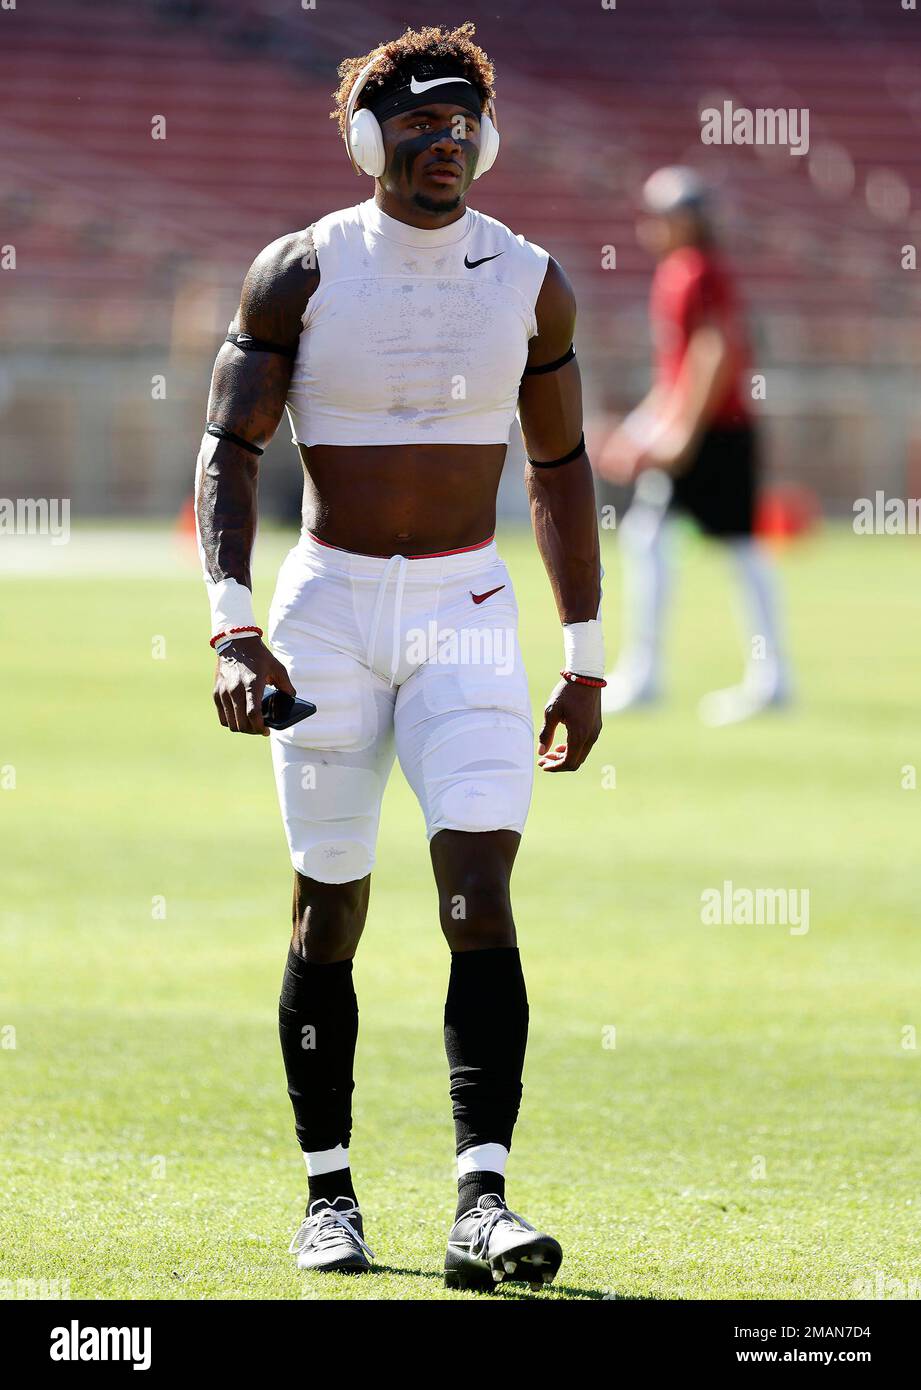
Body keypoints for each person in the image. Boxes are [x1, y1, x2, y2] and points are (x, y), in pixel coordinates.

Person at [193, 22, 603, 1292]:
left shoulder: (531, 280)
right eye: (418, 125)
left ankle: (483, 1200)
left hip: (466, 612)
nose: (446, 143)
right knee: (330, 907)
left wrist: (584, 656)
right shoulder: (302, 270)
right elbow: (229, 447)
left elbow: (560, 466)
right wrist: (232, 618)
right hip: (326, 615)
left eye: (462, 123)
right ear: (370, 140)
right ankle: (331, 1196)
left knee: (478, 888)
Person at [596, 166, 791, 726]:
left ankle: (758, 675)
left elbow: (712, 353)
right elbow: (676, 373)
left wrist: (677, 435)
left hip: (716, 432)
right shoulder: (681, 271)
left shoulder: (699, 271)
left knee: (734, 548)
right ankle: (661, 671)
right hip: (705, 428)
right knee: (655, 538)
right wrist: (643, 430)